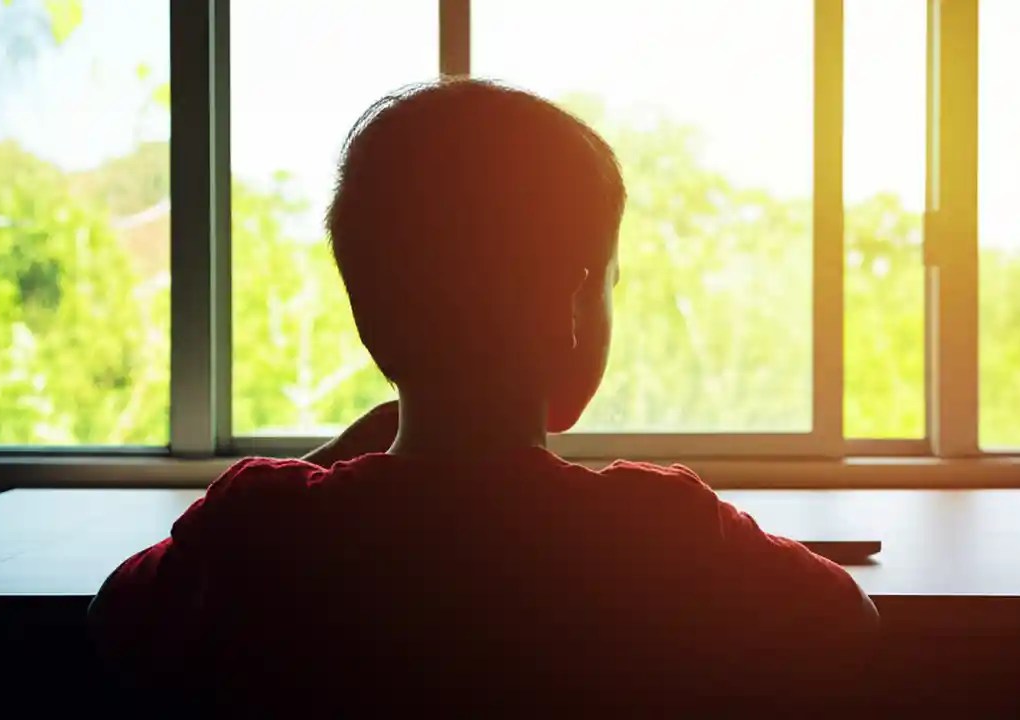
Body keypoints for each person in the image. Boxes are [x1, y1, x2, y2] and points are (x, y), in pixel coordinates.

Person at [89, 79, 878, 715]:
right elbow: (848, 625)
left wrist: (327, 462)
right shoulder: (660, 531)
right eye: (608, 283)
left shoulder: (260, 528)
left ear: (368, 314)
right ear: (572, 304)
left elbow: (116, 618)